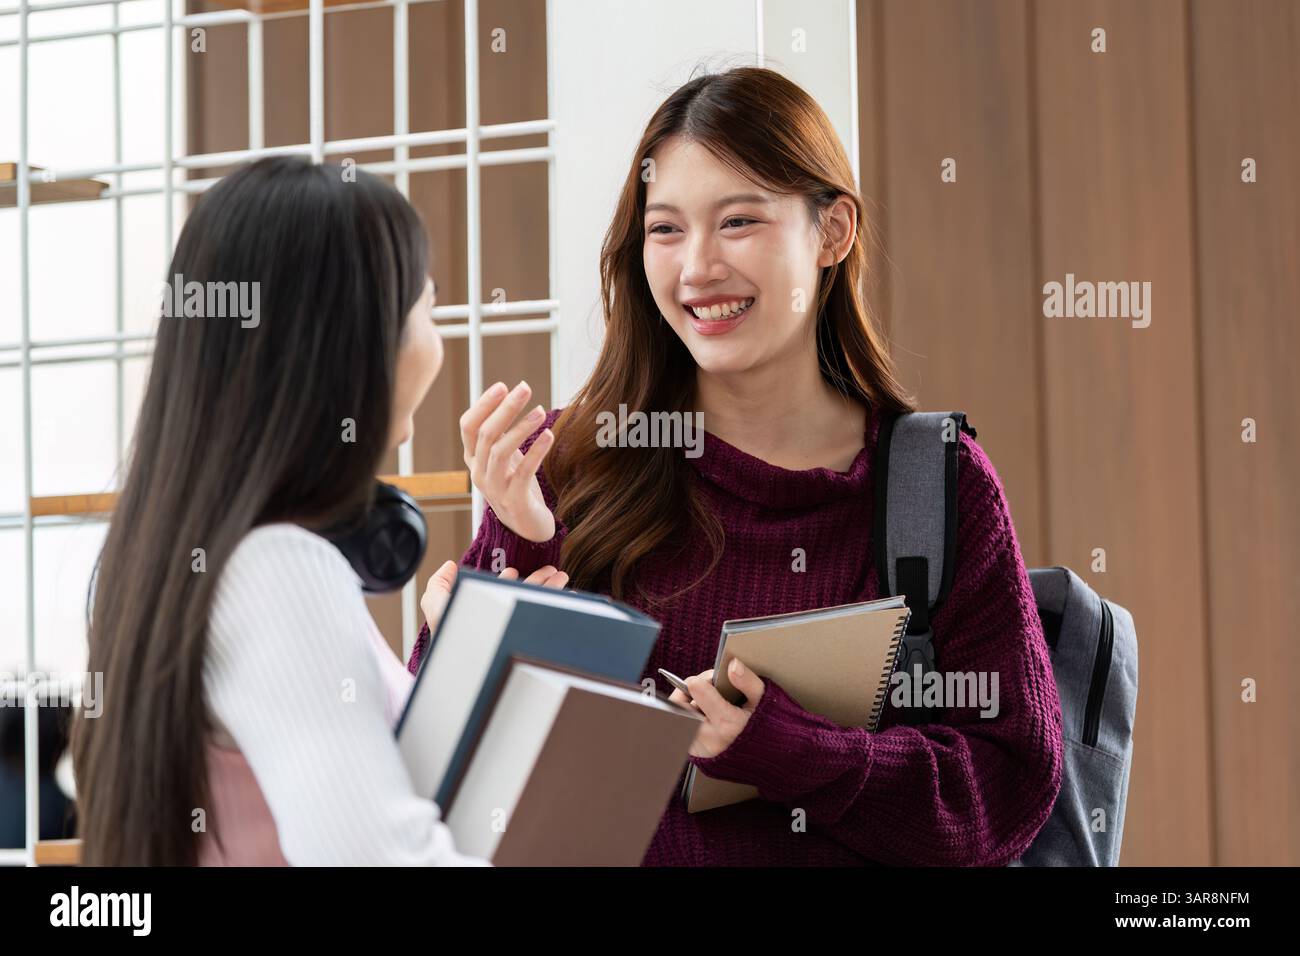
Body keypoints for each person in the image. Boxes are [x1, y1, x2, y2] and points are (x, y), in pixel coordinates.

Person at [409, 67, 1064, 866]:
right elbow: (443, 773)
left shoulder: (935, 483)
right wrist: (509, 574)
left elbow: (1008, 787)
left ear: (833, 232)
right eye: (666, 229)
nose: (698, 269)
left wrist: (789, 751)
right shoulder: (564, 465)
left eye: (739, 221)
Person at [71, 156, 562, 865]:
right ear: (354, 343)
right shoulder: (278, 570)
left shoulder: (175, 557)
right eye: (425, 306)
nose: (437, 340)